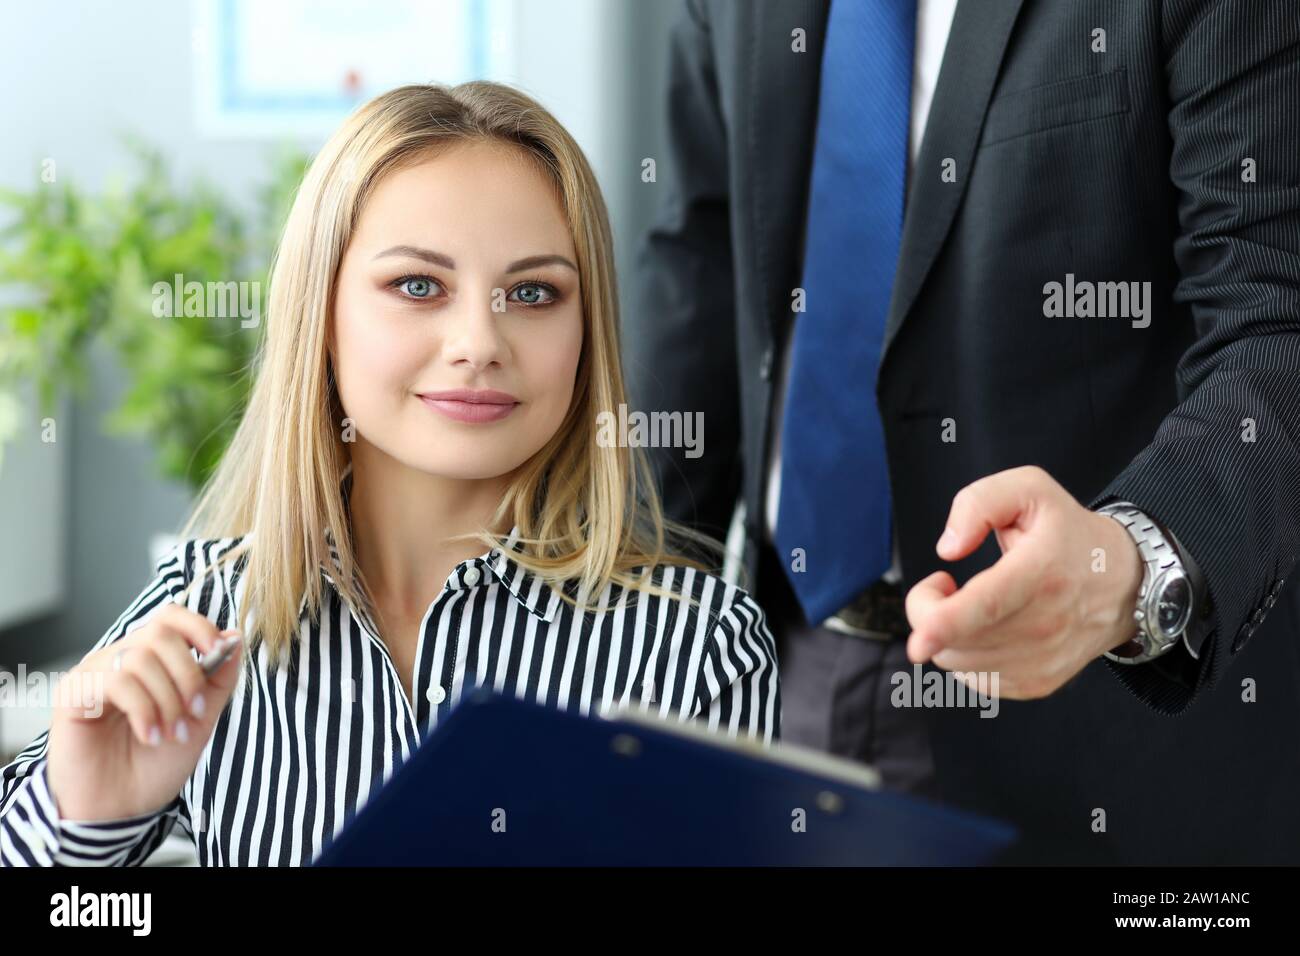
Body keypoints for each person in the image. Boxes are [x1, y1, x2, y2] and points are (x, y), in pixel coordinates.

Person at [0, 81, 779, 867]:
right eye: (418, 286)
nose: (479, 342)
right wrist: (86, 820)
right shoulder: (202, 610)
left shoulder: (698, 648)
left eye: (533, 292)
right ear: (321, 314)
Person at [629, 0, 1300, 863]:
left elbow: (1276, 323)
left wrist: (1128, 567)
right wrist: (625, 605)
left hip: (1094, 716)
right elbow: (699, 263)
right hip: (772, 672)